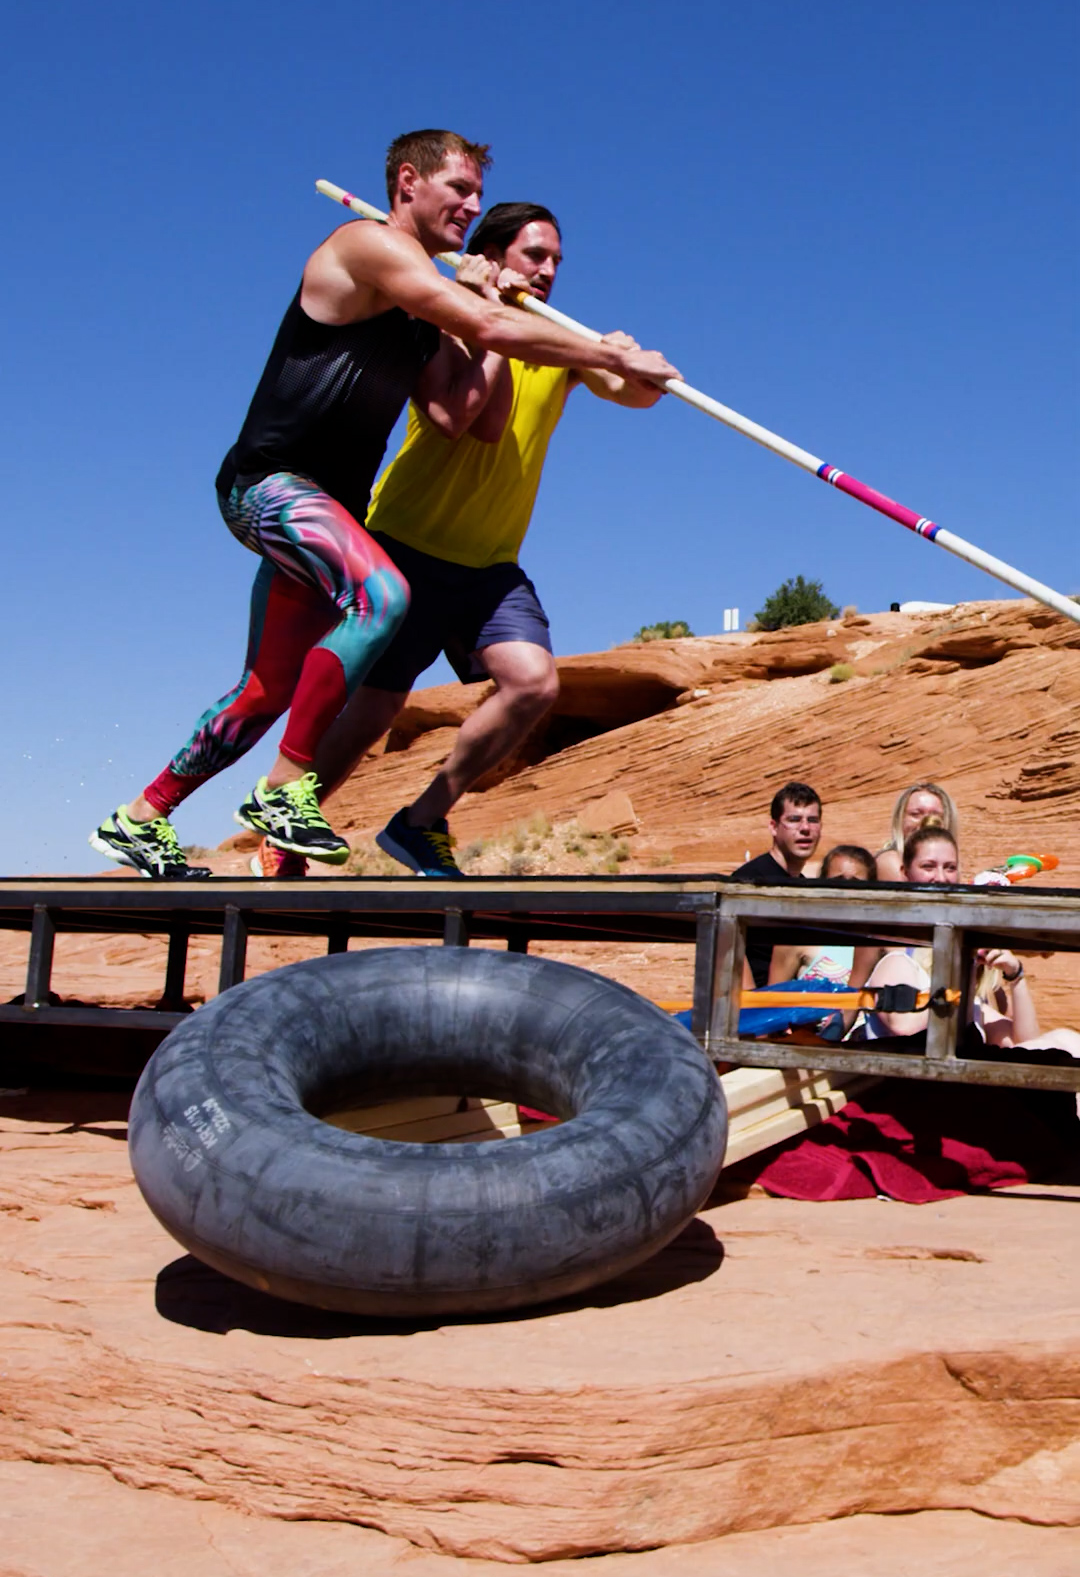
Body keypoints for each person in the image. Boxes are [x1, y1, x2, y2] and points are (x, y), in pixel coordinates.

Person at [90, 132, 678, 879]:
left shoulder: (422, 308)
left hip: (328, 506)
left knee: (267, 689)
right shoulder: (364, 245)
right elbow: (490, 328)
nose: (470, 206)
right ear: (407, 182)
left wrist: (558, 339)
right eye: (459, 190)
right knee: (383, 594)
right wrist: (603, 352)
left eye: (474, 195)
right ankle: (283, 796)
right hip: (269, 484)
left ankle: (143, 816)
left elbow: (473, 412)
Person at [299, 199, 667, 880]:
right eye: (536, 255)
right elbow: (466, 422)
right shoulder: (440, 314)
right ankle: (290, 824)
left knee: (533, 684)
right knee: (376, 709)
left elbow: (631, 392)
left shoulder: (561, 342)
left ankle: (420, 820)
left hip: (490, 561)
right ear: (494, 255)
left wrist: (645, 367)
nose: (551, 270)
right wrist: (477, 310)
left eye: (557, 259)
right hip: (407, 544)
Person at [858, 823, 1080, 1057]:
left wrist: (1016, 975)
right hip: (904, 1085)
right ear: (905, 873)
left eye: (950, 867)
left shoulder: (972, 1001)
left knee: (1067, 1040)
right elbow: (905, 1027)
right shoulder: (899, 962)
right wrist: (965, 971)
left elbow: (1026, 1042)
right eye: (928, 866)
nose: (941, 877)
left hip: (952, 1085)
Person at [767, 845, 883, 1031]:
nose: (846, 890)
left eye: (856, 883)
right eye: (838, 881)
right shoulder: (799, 938)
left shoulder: (886, 942)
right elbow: (772, 1006)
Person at [730, 783, 823, 987]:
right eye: (794, 820)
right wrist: (753, 1007)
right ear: (773, 827)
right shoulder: (750, 881)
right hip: (756, 1005)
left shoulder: (805, 887)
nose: (805, 828)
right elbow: (727, 945)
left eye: (813, 820)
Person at [875, 780, 959, 882]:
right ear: (900, 818)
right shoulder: (891, 862)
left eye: (935, 815)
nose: (927, 822)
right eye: (915, 814)